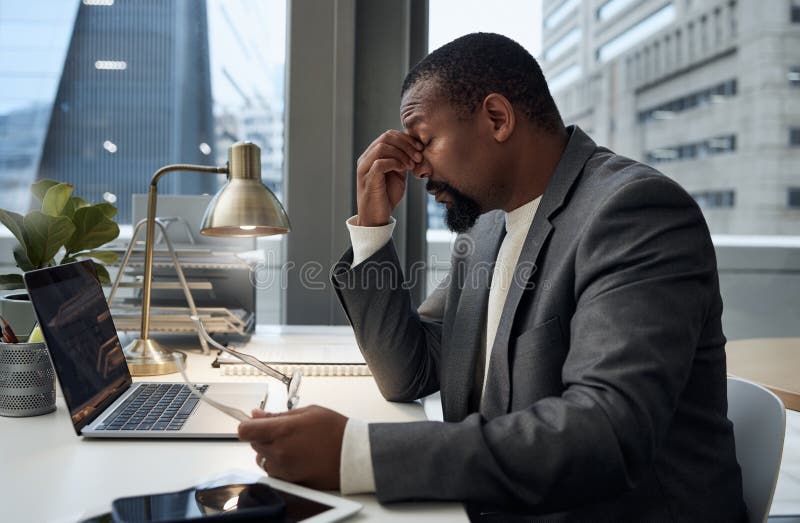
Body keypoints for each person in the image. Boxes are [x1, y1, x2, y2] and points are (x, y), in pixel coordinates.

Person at [238, 32, 746, 521]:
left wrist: (359, 455)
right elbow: (408, 373)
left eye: (425, 141)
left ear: (498, 118)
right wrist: (372, 229)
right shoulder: (487, 229)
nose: (416, 169)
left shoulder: (633, 212)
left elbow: (607, 432)